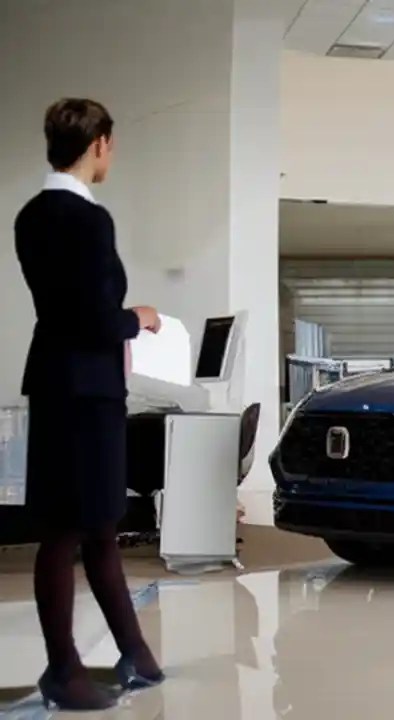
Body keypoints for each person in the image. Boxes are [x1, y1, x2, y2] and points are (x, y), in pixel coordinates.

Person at [15, 98, 165, 711]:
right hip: (88, 391)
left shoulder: (30, 215)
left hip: (58, 383)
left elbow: (63, 310)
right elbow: (94, 316)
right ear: (99, 144)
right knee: (69, 530)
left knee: (96, 524)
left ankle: (135, 654)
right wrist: (140, 319)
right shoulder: (86, 220)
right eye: (112, 144)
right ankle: (63, 670)